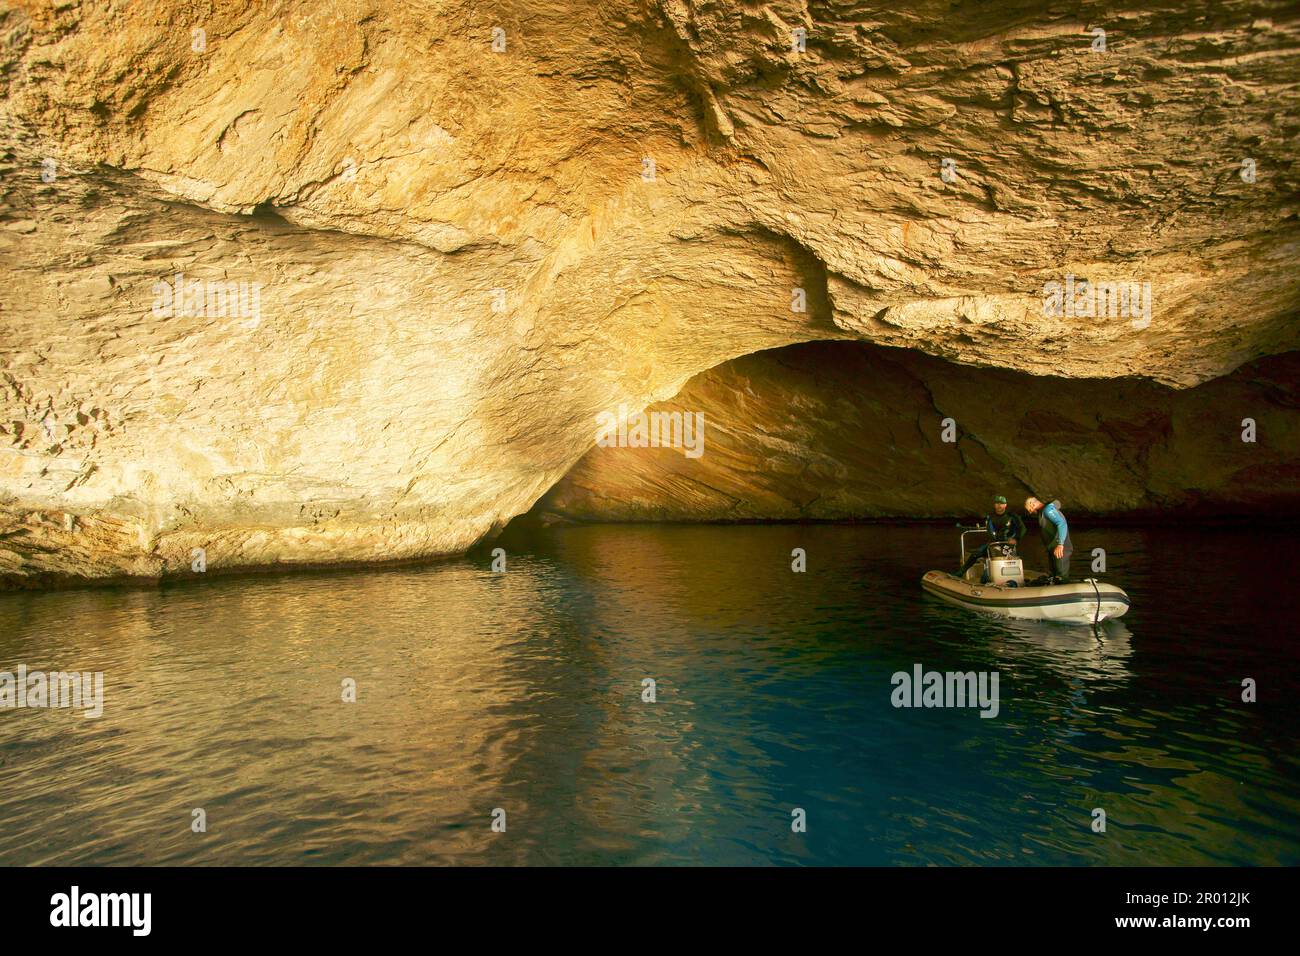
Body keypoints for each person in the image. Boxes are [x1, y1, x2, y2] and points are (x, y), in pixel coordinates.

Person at [959, 495, 1027, 578]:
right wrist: (993, 542)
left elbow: (1023, 529)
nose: (999, 506)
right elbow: (990, 531)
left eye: (1002, 503)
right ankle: (961, 572)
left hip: (1008, 544)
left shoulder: (1012, 516)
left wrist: (1016, 539)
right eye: (997, 503)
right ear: (994, 505)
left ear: (1005, 505)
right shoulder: (990, 517)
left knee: (1009, 559)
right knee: (975, 554)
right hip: (993, 544)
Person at [1024, 496, 1073, 583]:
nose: (1029, 512)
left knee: (1061, 575)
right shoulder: (1042, 513)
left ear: (1032, 503)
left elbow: (1061, 523)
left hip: (1060, 548)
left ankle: (1064, 586)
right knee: (1054, 575)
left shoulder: (1048, 510)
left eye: (1028, 508)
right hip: (1053, 548)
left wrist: (1060, 544)